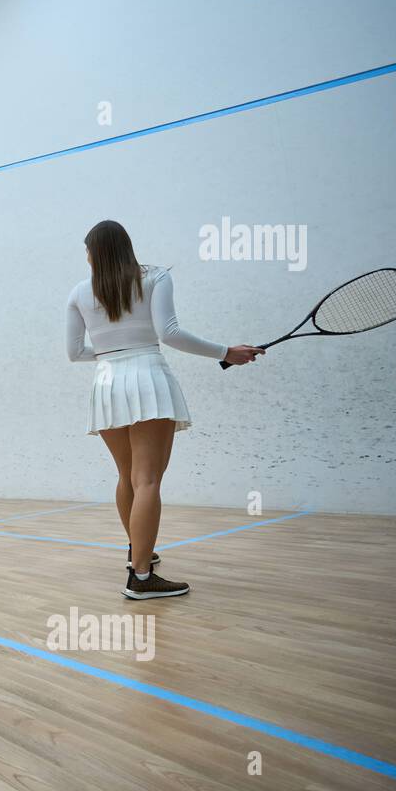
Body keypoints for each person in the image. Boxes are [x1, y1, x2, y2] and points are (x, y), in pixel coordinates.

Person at [65, 220, 262, 599]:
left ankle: (138, 553)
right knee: (148, 480)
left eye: (87, 250)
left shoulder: (77, 292)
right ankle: (140, 578)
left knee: (127, 477)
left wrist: (110, 353)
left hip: (105, 384)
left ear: (95, 253)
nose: (87, 257)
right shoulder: (155, 278)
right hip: (148, 379)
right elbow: (169, 333)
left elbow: (74, 353)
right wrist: (227, 353)